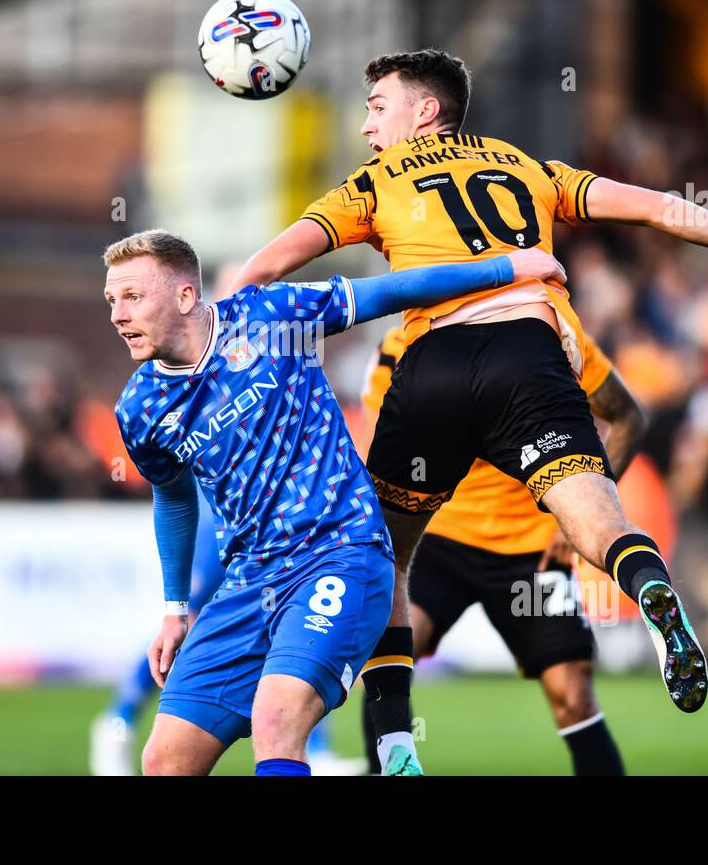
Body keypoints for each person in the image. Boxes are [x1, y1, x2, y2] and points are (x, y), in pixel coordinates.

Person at [227, 49, 708, 774]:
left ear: (425, 112)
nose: (366, 127)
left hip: (435, 361)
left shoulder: (372, 182)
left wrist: (226, 334)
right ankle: (652, 589)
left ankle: (394, 748)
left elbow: (260, 269)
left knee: (385, 559)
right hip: (529, 352)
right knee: (600, 526)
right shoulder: (529, 167)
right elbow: (656, 207)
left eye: (377, 106)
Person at [106, 228, 565, 775]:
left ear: (185, 295)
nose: (118, 314)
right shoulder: (140, 407)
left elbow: (391, 291)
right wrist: (175, 608)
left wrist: (503, 269)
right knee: (163, 760)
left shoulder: (271, 318)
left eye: (132, 297)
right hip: (248, 581)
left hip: (340, 554)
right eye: (112, 300)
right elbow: (174, 498)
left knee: (277, 723)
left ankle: (392, 741)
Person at [354, 319, 644, 775]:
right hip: (440, 539)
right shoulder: (398, 349)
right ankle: (384, 769)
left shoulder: (554, 336)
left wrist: (575, 521)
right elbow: (380, 448)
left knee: (573, 698)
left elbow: (628, 417)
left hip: (531, 550)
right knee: (392, 656)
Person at [89, 494, 366, 775]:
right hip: (227, 509)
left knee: (293, 624)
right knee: (190, 622)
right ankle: (119, 717)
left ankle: (313, 749)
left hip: (278, 513)